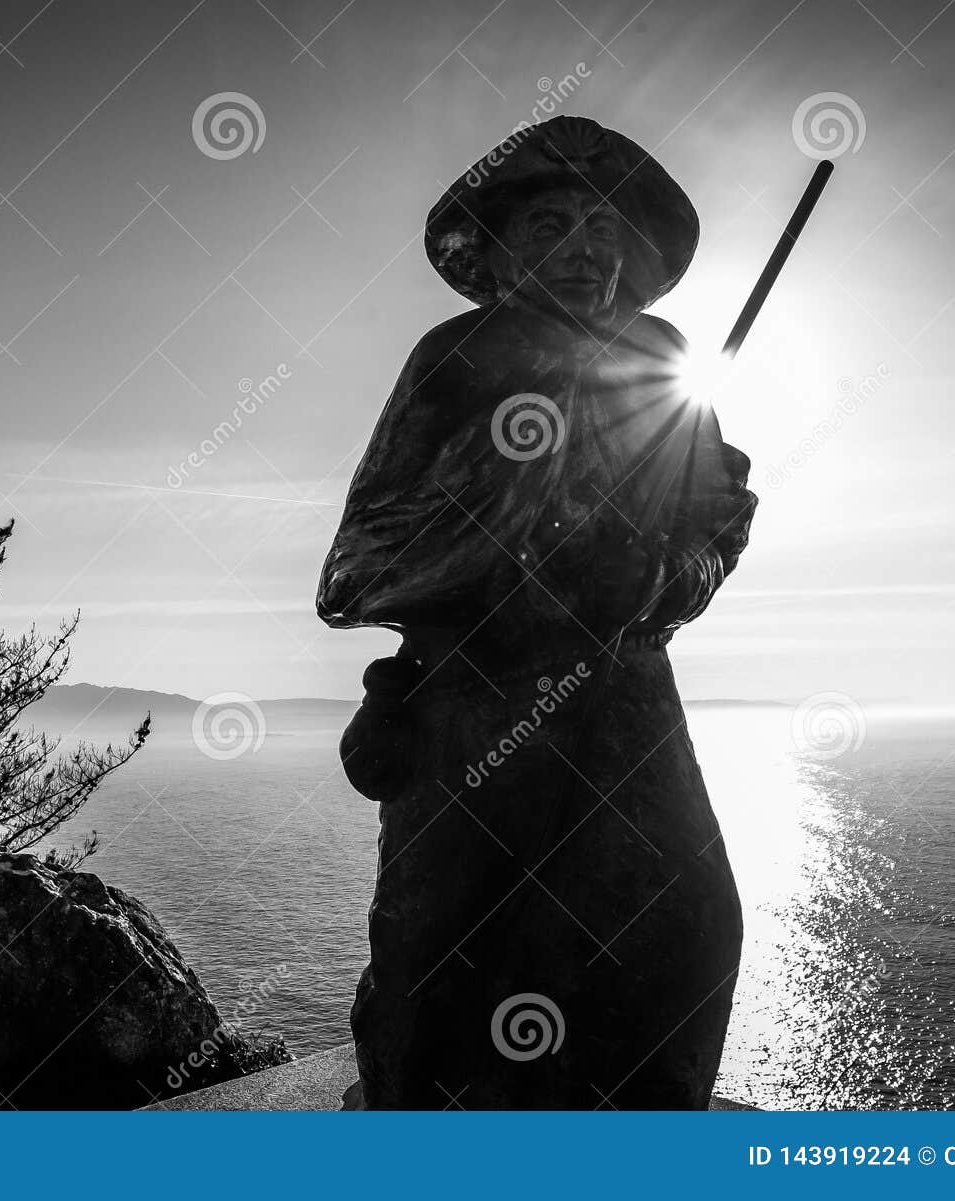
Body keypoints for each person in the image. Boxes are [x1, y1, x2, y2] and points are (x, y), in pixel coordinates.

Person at [317, 116, 756, 1109]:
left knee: (686, 929)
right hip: (479, 697)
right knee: (444, 954)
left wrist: (653, 576)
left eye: (602, 228)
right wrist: (526, 533)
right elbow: (356, 565)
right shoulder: (457, 358)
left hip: (630, 703)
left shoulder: (662, 359)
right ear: (502, 247)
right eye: (552, 222)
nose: (584, 247)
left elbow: (708, 534)